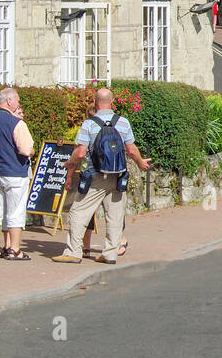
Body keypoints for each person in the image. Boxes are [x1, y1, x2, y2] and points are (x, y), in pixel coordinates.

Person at [52, 87, 150, 265]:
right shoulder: (123, 122)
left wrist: (69, 163)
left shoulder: (89, 124)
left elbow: (80, 153)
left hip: (95, 177)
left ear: (95, 103)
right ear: (112, 103)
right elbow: (131, 149)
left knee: (78, 212)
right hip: (118, 176)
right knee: (114, 215)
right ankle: (110, 254)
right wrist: (140, 162)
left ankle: (74, 252)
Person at [0, 88, 35, 260]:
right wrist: (32, 151)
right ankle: (14, 249)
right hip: (14, 172)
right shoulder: (17, 123)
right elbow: (26, 149)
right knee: (15, 211)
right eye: (17, 101)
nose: (18, 104)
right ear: (10, 102)